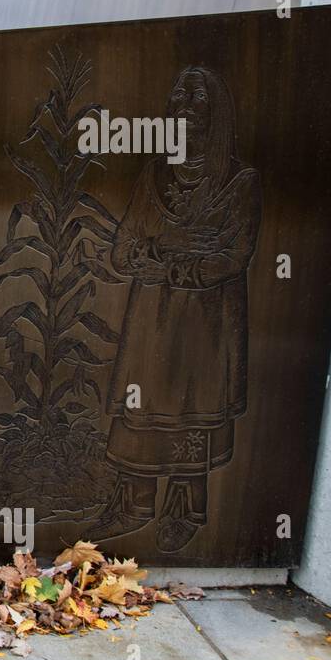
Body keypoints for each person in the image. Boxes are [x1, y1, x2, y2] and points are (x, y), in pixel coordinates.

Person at [90, 67, 261, 552]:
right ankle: (132, 504)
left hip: (204, 327)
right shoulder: (156, 177)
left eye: (198, 98)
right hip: (151, 323)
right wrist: (166, 253)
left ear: (218, 112)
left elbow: (233, 254)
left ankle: (184, 510)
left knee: (192, 412)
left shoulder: (239, 182)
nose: (184, 106)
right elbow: (123, 248)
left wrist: (168, 259)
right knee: (141, 412)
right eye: (178, 96)